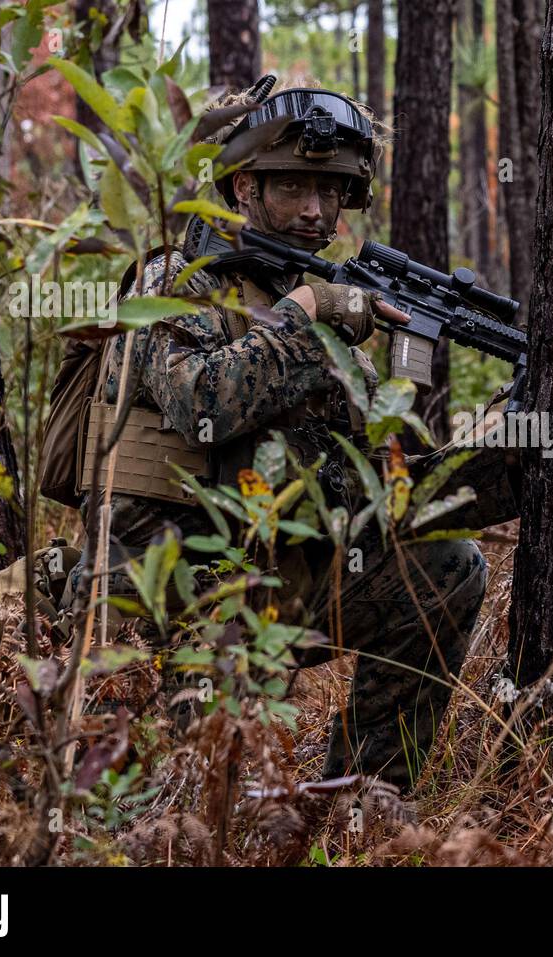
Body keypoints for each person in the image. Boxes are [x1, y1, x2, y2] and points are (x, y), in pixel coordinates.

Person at [64, 79, 520, 791]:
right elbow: (201, 403)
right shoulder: (179, 278)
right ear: (244, 187)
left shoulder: (304, 302)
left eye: (332, 192)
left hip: (270, 579)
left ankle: (362, 802)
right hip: (164, 596)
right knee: (193, 805)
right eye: (294, 190)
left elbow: (385, 482)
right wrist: (312, 314)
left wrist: (508, 449)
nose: (315, 212)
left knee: (448, 567)